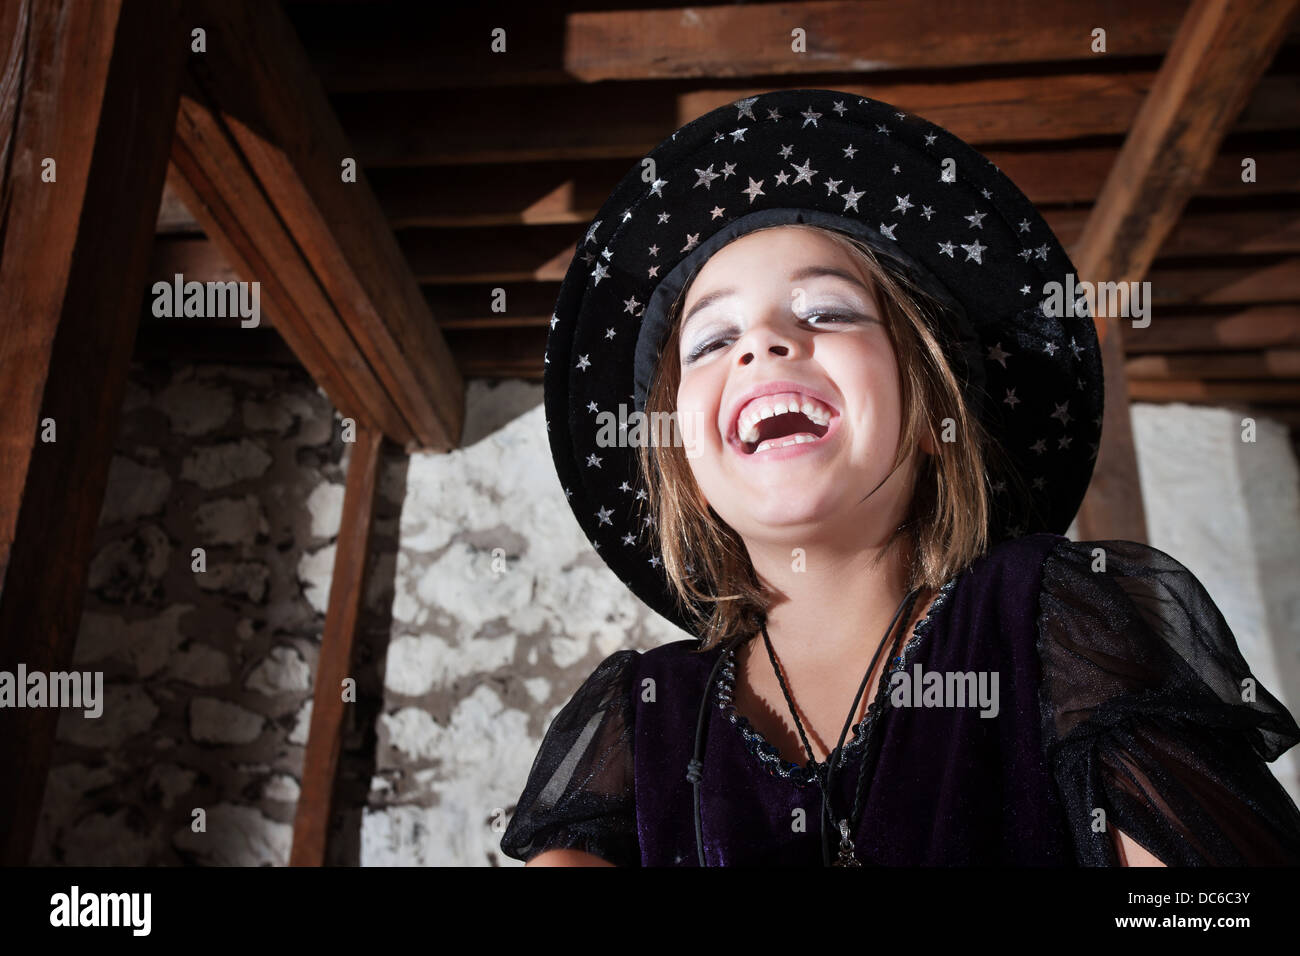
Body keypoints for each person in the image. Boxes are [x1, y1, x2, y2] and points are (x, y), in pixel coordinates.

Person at [500, 89, 1300, 867]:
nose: (763, 344)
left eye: (825, 312)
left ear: (930, 416)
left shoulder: (1044, 619)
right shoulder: (639, 720)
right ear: (681, 458)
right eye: (711, 340)